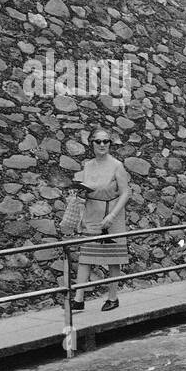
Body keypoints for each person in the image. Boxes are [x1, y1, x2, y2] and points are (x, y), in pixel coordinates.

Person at [70, 128, 131, 311]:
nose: (103, 145)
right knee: (86, 256)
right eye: (98, 141)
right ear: (92, 143)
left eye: (106, 141)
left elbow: (126, 192)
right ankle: (78, 299)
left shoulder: (116, 165)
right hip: (93, 212)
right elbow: (88, 186)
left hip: (112, 212)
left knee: (114, 257)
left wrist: (112, 215)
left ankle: (113, 297)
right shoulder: (88, 165)